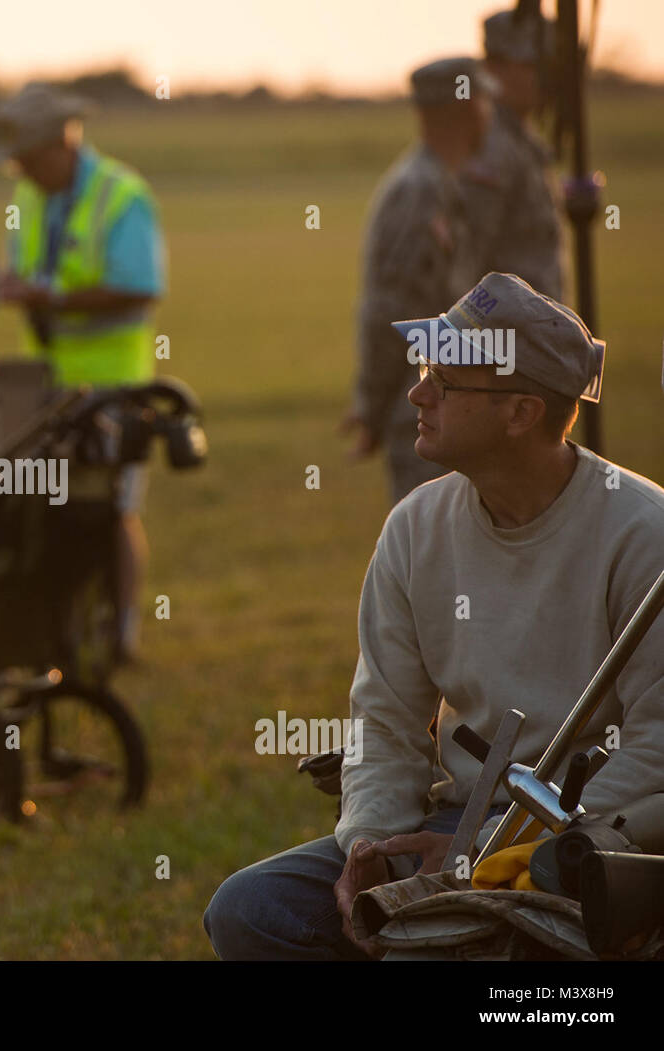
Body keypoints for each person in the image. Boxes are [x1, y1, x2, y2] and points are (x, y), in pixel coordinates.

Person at [204, 272, 664, 960]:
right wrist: (374, 847)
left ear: (521, 412)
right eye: (424, 370)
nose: (418, 393)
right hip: (451, 826)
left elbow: (656, 748)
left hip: (584, 842)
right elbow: (385, 717)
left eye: (445, 381)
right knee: (250, 910)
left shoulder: (643, 533)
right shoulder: (415, 527)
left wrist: (487, 853)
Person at [0, 83, 168, 661]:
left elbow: (140, 290)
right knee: (54, 507)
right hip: (50, 384)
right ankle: (63, 625)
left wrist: (52, 297)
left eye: (32, 159)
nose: (25, 172)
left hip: (117, 385)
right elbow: (26, 270)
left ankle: (124, 630)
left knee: (114, 510)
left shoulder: (122, 194)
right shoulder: (31, 197)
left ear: (64, 142)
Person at [341, 57, 492, 504]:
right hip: (427, 411)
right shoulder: (418, 190)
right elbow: (389, 308)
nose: (489, 114)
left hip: (445, 407)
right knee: (429, 556)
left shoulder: (443, 182)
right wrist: (372, 405)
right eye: (483, 102)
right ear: (464, 109)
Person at [462, 8, 564, 299]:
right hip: (505, 337)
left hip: (532, 332)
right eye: (534, 65)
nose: (546, 78)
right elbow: (469, 261)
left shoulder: (521, 140)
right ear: (496, 68)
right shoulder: (491, 144)